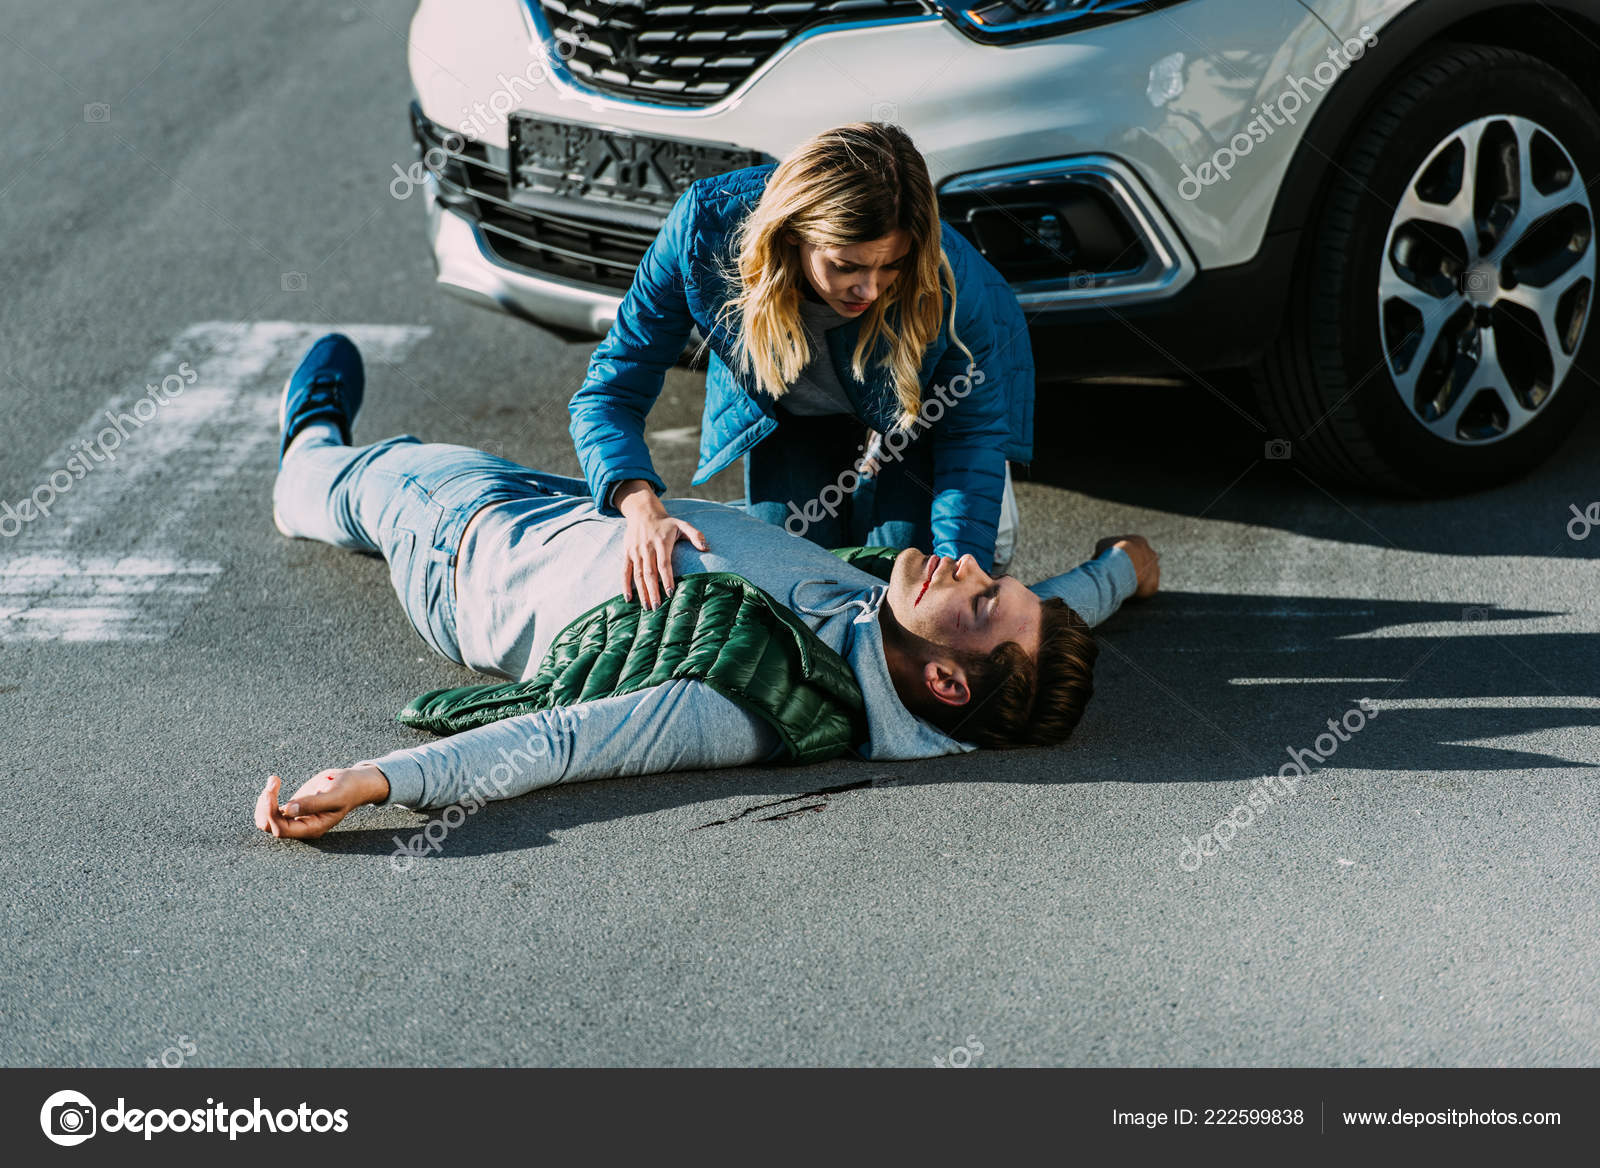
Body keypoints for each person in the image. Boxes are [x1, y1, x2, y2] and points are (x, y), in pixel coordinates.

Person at [254, 336, 1157, 842]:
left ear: (949, 682)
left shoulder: (748, 703)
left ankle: (307, 447)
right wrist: (1119, 572)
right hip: (591, 508)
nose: (972, 567)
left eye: (986, 599)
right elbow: (1042, 608)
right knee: (413, 467)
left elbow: (558, 743)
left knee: (350, 484)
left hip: (472, 550)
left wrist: (378, 781)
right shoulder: (892, 634)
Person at [568, 122, 1035, 614]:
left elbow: (970, 437)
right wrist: (640, 508)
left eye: (890, 265)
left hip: (919, 417)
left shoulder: (950, 279)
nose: (870, 290)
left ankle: (961, 509)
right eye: (847, 266)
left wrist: (960, 574)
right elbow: (610, 390)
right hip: (796, 411)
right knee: (795, 588)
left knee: (899, 579)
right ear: (792, 235)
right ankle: (863, 479)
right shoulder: (702, 228)